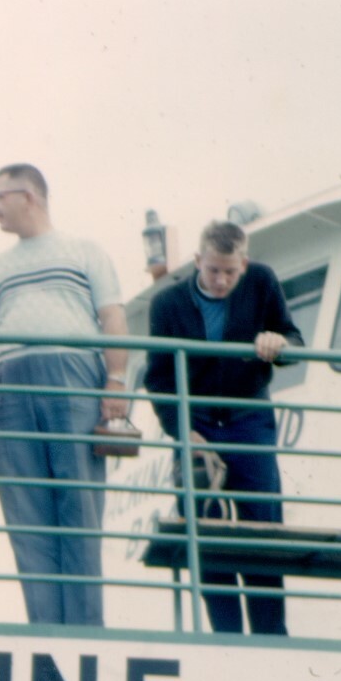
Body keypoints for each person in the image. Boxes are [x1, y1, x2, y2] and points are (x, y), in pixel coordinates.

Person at [0, 164, 129, 626]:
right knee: (26, 515)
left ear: (29, 196)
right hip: (9, 385)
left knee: (77, 508)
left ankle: (83, 632)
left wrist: (115, 382)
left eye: (0, 197)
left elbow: (113, 318)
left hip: (72, 375)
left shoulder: (84, 251)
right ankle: (44, 630)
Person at [145, 219, 302, 635]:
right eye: (213, 270)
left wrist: (280, 346)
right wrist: (183, 432)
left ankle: (272, 636)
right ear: (198, 260)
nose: (220, 280)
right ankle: (225, 636)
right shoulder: (166, 304)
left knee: (262, 526)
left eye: (230, 272)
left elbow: (294, 340)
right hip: (195, 420)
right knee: (204, 530)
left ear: (244, 265)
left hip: (248, 415)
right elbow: (158, 379)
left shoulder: (262, 282)